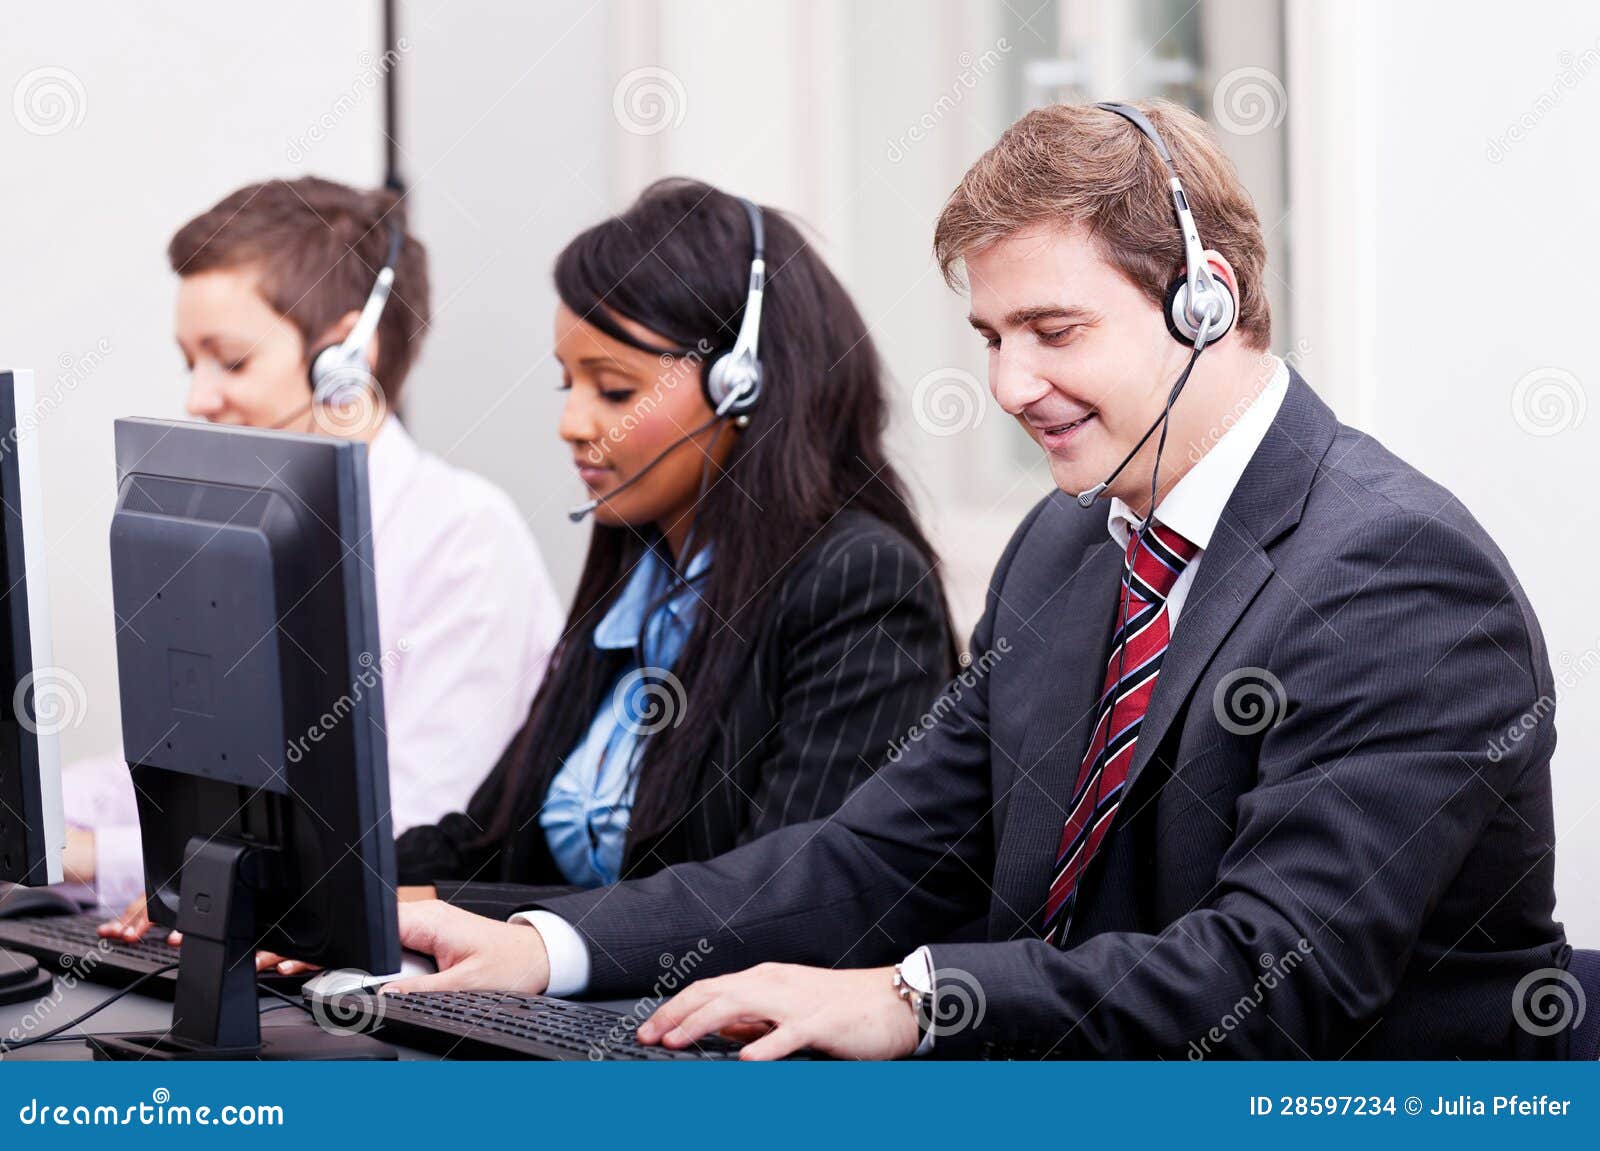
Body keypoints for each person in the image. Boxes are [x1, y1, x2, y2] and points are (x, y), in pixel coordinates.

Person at [387, 102, 1569, 1060]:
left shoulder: (1391, 573)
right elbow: (876, 857)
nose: (1008, 385)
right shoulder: (1066, 546)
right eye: (991, 337)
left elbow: (1270, 977)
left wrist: (917, 997)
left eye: (1054, 330)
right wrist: (546, 942)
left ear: (1203, 298)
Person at [386, 179, 957, 922]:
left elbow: (782, 901)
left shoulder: (860, 585)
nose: (571, 421)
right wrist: (325, 891)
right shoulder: (637, 569)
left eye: (615, 391)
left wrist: (451, 909)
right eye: (568, 384)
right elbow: (489, 842)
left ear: (741, 387)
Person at [68, 177, 562, 914]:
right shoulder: (242, 540)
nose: (197, 400)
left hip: (383, 967)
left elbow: (409, 818)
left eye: (230, 361)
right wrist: (42, 822)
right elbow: (173, 771)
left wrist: (97, 861)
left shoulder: (464, 537)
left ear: (343, 361)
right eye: (189, 363)